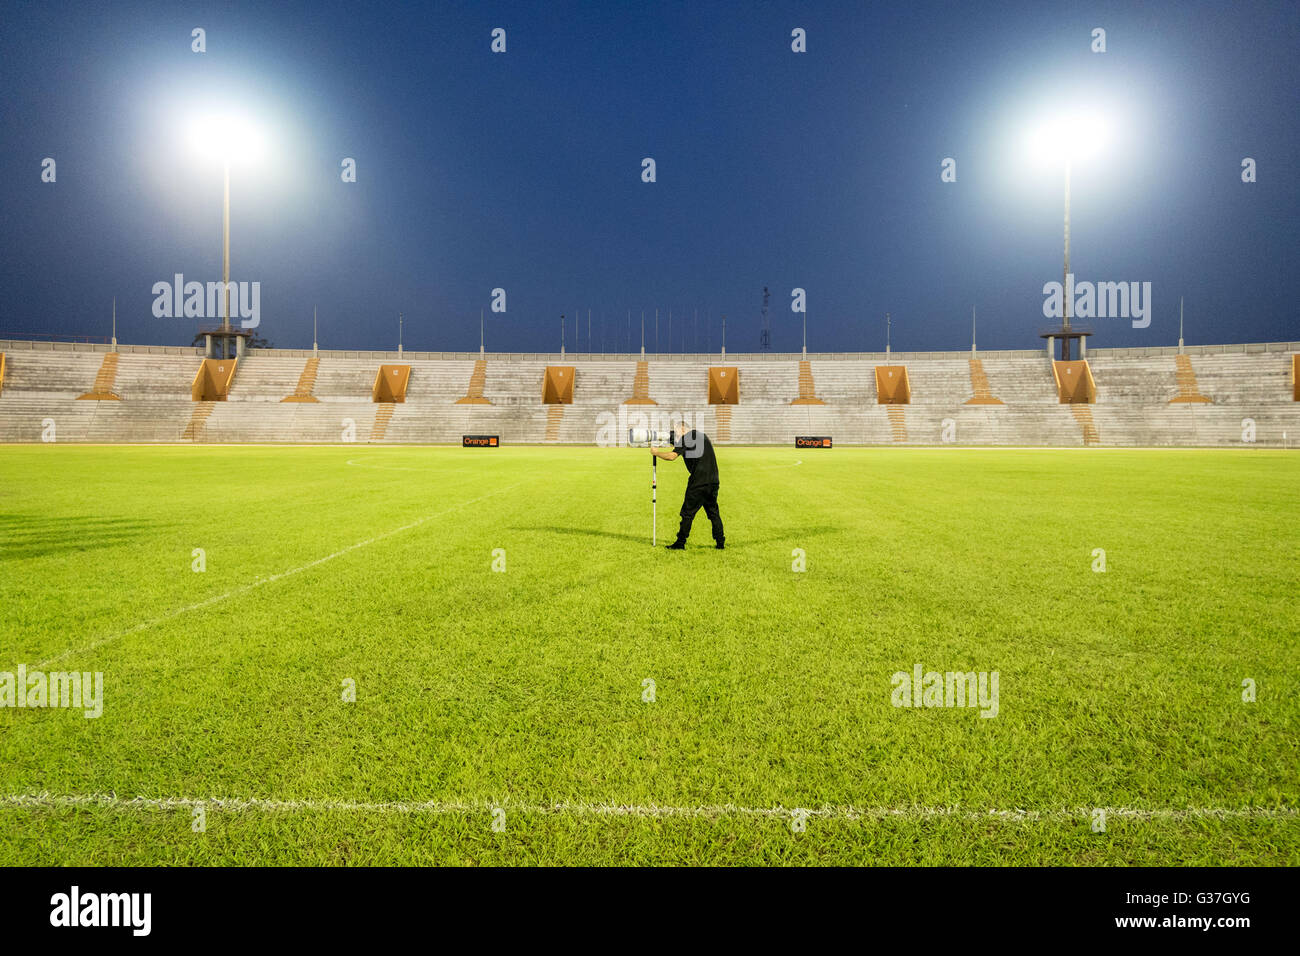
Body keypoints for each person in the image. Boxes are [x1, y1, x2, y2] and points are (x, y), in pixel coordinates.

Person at [651, 421, 724, 550]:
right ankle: (720, 543)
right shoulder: (702, 436)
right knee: (713, 513)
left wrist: (656, 453)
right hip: (713, 481)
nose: (676, 435)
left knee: (687, 513)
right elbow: (683, 445)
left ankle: (680, 543)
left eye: (677, 431)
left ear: (683, 429)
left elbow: (671, 456)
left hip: (698, 482)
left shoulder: (687, 438)